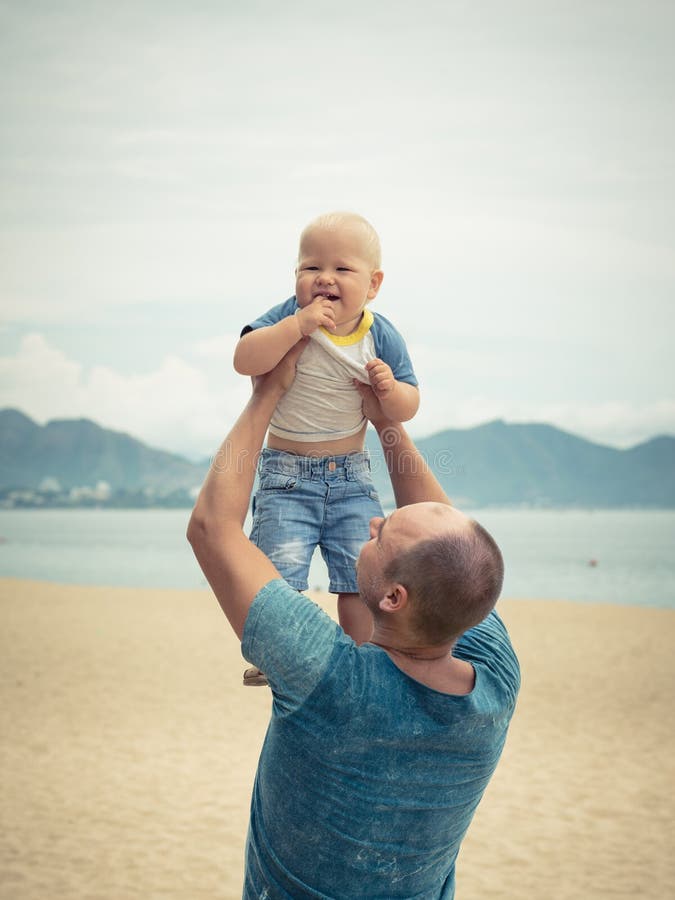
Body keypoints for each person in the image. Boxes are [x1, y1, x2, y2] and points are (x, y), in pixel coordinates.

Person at [187, 343, 520, 899]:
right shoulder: (494, 682)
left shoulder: (328, 676)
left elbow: (212, 528)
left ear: (393, 597)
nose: (369, 523)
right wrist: (384, 423)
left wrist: (266, 396)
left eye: (381, 535)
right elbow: (457, 549)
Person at [233, 212, 419, 653]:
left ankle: (361, 653)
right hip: (286, 474)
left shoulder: (380, 335)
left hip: (351, 478)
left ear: (373, 285)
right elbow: (245, 359)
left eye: (342, 269)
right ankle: (278, 655)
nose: (324, 279)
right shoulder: (287, 315)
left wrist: (389, 391)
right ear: (296, 275)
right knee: (277, 571)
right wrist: (297, 326)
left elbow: (410, 403)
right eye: (311, 267)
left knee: (361, 575)